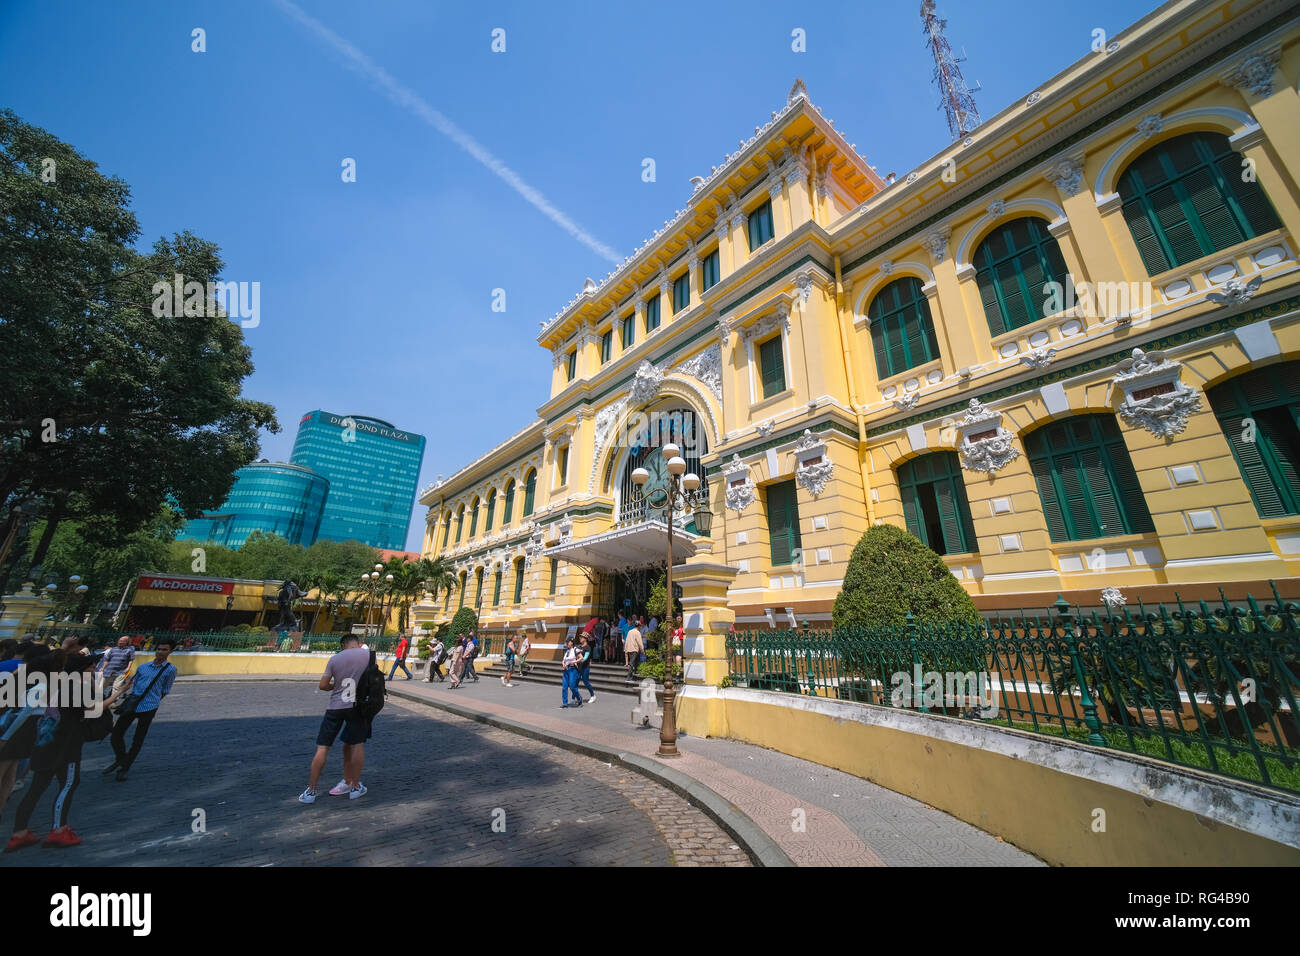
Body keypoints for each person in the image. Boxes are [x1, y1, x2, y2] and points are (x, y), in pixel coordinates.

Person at [4, 651, 97, 851]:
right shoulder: (76, 688)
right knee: (69, 784)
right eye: (90, 667)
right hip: (66, 746)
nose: (94, 670)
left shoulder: (54, 685)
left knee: (36, 788)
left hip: (46, 742)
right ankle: (59, 829)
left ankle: (19, 833)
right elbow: (92, 711)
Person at [299, 633, 372, 803]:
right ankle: (355, 787)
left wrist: (336, 686)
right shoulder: (367, 654)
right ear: (358, 643)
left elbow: (323, 685)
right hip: (357, 706)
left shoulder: (335, 659)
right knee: (357, 744)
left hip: (336, 707)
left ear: (342, 645)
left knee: (323, 748)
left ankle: (311, 791)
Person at [104, 637, 177, 782]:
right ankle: (121, 758)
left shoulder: (170, 670)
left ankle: (125, 767)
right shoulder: (143, 667)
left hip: (149, 707)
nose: (161, 652)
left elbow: (165, 690)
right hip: (132, 704)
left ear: (170, 651)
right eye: (159, 649)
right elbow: (132, 685)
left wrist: (154, 701)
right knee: (116, 735)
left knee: (138, 740)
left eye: (164, 650)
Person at [95, 635, 136, 705]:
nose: (120, 642)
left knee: (116, 687)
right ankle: (97, 700)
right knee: (102, 686)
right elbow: (107, 659)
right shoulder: (113, 649)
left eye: (122, 641)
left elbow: (131, 660)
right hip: (109, 670)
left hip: (121, 671)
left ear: (127, 642)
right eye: (119, 640)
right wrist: (103, 668)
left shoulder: (129, 650)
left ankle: (112, 703)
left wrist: (128, 668)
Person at [560, 638, 583, 708]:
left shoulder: (575, 650)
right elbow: (563, 660)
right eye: (566, 642)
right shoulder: (567, 651)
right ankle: (565, 703)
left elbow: (581, 657)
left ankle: (579, 699)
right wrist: (563, 664)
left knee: (572, 686)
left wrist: (574, 662)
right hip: (566, 670)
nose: (567, 643)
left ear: (572, 643)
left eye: (568, 642)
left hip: (572, 670)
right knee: (564, 687)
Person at [574, 635, 597, 702]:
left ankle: (593, 695)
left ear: (585, 639)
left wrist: (578, 661)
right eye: (580, 637)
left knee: (586, 681)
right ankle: (574, 698)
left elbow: (585, 657)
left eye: (582, 637)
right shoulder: (579, 647)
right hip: (578, 667)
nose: (580, 638)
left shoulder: (588, 647)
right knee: (575, 683)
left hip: (585, 668)